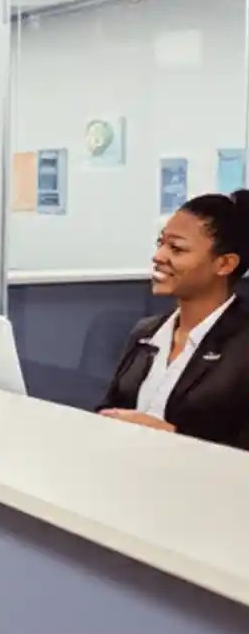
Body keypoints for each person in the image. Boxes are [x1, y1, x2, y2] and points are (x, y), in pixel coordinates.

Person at [97, 190, 249, 450]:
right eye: (161, 243)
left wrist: (174, 436)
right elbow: (109, 409)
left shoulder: (243, 343)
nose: (159, 257)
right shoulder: (146, 332)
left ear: (224, 264)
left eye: (176, 249)